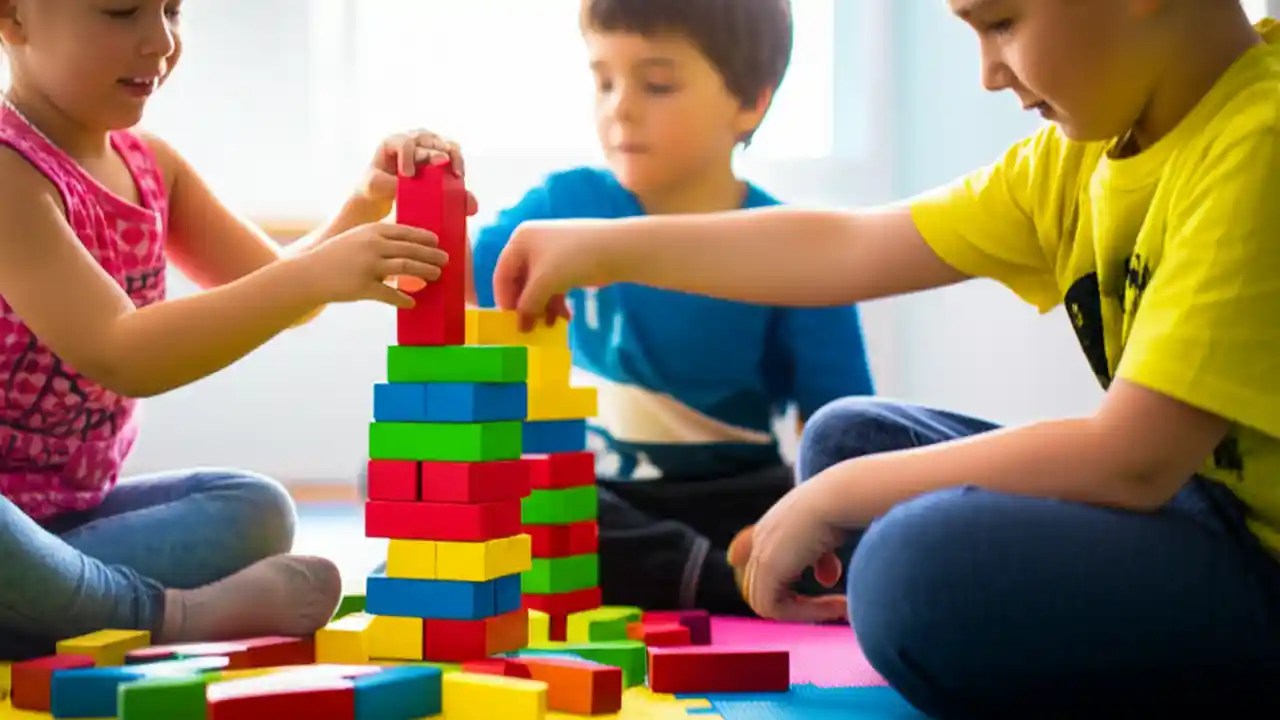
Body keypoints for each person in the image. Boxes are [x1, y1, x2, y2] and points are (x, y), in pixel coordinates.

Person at [492, 0, 1280, 715]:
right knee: (846, 437)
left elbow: (1131, 458)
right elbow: (851, 243)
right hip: (1193, 509)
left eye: (1002, 23)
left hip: (1259, 565)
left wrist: (837, 495)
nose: (986, 73)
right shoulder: (1088, 155)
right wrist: (604, 248)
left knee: (913, 568)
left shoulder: (1260, 143)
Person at [0, 0, 468, 661]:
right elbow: (122, 351)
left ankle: (52, 606)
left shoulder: (151, 166)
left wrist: (364, 201)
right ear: (14, 18)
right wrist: (314, 277)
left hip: (71, 526)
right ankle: (168, 616)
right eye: (121, 11)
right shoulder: (7, 172)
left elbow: (280, 288)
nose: (160, 40)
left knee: (256, 509)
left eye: (171, 9)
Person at [468, 0, 875, 615]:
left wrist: (811, 524)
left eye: (657, 84)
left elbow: (845, 430)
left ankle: (721, 573)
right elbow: (453, 271)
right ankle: (716, 582)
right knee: (437, 477)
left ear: (750, 102)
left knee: (838, 539)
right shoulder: (564, 203)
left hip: (735, 500)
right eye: (603, 80)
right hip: (597, 499)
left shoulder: (789, 245)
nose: (620, 107)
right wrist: (413, 183)